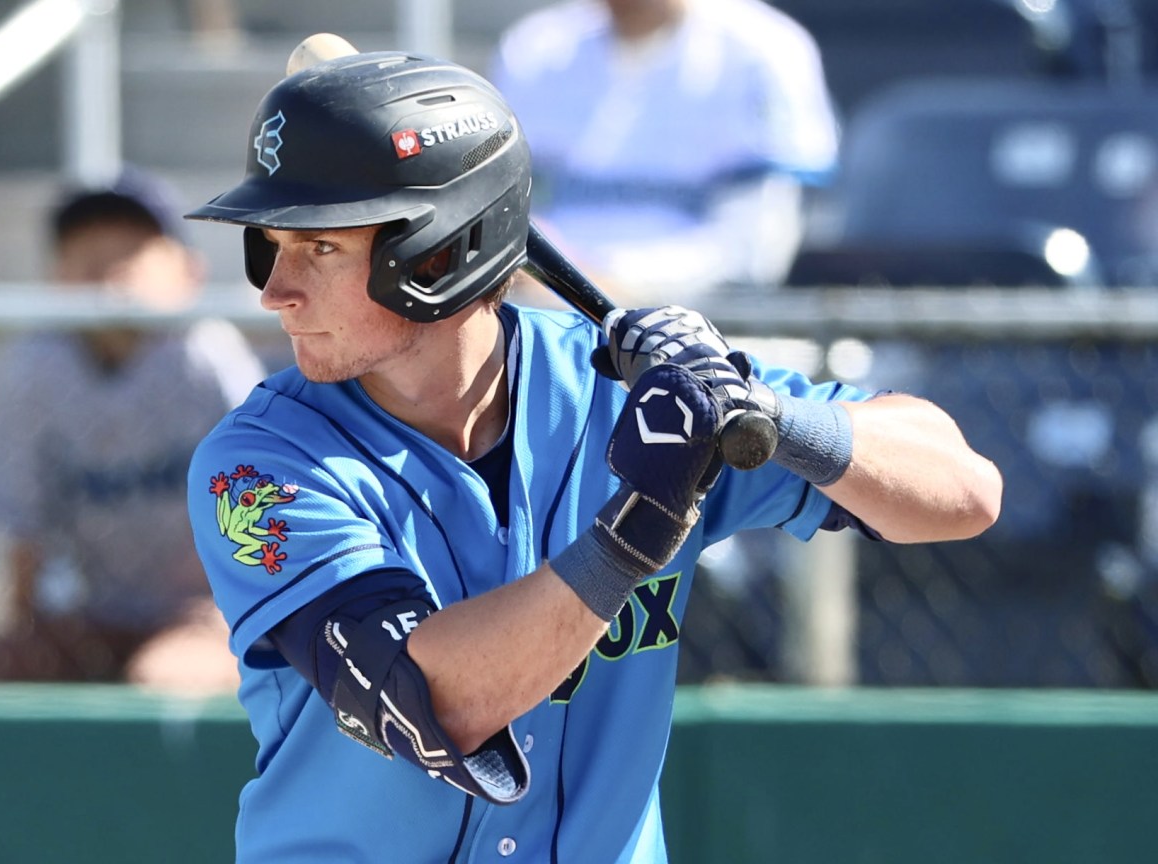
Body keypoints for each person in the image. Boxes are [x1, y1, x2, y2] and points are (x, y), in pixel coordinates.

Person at [182, 50, 1000, 860]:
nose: (275, 291)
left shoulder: (626, 396)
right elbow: (433, 704)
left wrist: (759, 411)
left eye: (321, 248)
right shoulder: (258, 466)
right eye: (274, 243)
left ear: (439, 253)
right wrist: (637, 532)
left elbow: (966, 491)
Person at [0, 167, 265, 693]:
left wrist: (230, 617)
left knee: (161, 679)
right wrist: (31, 630)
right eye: (84, 250)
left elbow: (263, 507)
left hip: (209, 613)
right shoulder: (35, 367)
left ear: (189, 272)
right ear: (55, 274)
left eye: (131, 249)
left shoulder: (208, 357)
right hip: (95, 614)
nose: (105, 266)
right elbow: (22, 525)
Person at [488, 0, 841, 303]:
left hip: (708, 327)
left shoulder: (765, 49)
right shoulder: (535, 47)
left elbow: (755, 250)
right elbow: (504, 210)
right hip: (540, 315)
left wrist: (605, 283)